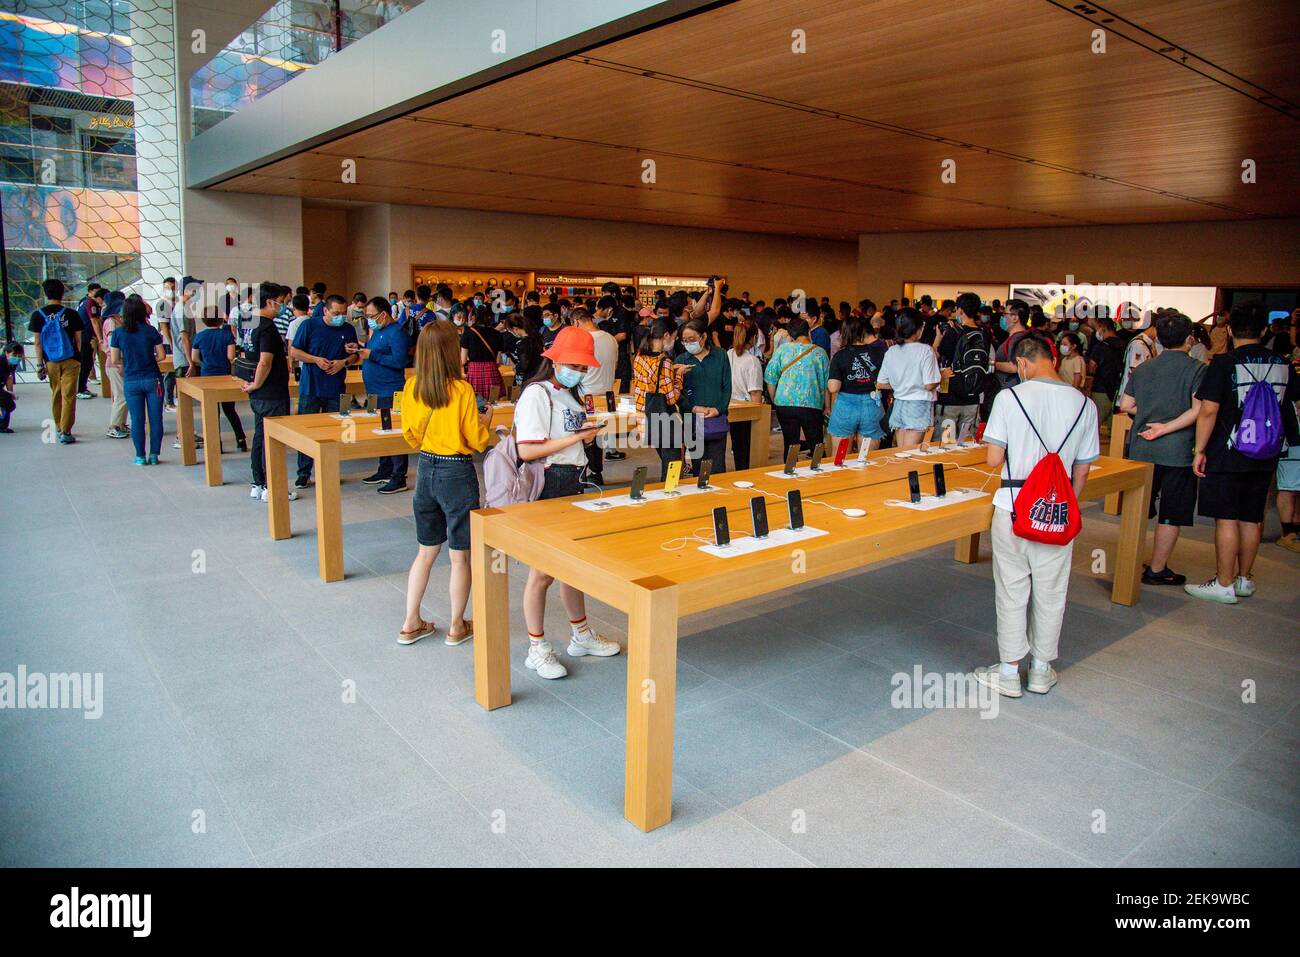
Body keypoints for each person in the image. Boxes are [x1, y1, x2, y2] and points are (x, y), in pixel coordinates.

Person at [975, 336, 1098, 698]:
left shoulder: (1009, 398)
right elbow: (1083, 471)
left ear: (1023, 364)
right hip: (1058, 511)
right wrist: (1064, 506)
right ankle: (1042, 670)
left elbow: (994, 460)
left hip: (1014, 505)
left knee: (1012, 589)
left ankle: (1010, 672)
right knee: (1052, 590)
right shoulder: (1085, 405)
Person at [513, 327, 620, 678]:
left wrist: (585, 437)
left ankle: (581, 633)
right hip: (548, 483)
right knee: (542, 571)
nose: (579, 370)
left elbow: (568, 438)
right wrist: (575, 438)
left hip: (572, 480)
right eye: (574, 364)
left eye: (584, 366)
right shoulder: (536, 394)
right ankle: (536, 646)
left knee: (572, 563)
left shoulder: (570, 393)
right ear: (554, 358)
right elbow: (526, 450)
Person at [1185, 302, 1300, 603]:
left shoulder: (1223, 364)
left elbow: (1209, 411)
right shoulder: (1284, 363)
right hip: (1267, 450)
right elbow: (1291, 404)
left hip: (1228, 449)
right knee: (1252, 516)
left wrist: (1200, 449)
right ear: (1264, 330)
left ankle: (1222, 583)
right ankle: (1243, 579)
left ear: (1231, 329)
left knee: (1226, 518)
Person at [397, 321, 491, 646]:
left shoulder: (411, 388)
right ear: (452, 351)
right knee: (459, 556)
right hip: (457, 473)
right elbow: (477, 441)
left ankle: (410, 622)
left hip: (425, 468)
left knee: (425, 552)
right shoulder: (462, 390)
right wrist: (486, 422)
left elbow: (410, 436)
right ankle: (456, 626)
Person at [1119, 315, 1205, 586]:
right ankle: (1157, 568)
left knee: (1138, 508)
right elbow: (1199, 410)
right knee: (1171, 511)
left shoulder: (1144, 368)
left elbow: (1125, 404)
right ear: (1189, 337)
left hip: (1141, 447)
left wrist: (1149, 420)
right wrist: (1165, 428)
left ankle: (1128, 561)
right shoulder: (1197, 368)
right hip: (1177, 451)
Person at [289, 293, 358, 489]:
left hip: (336, 387)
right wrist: (316, 360)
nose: (340, 316)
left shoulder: (348, 329)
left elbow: (354, 356)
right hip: (311, 387)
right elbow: (294, 351)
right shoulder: (309, 326)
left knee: (334, 431)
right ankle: (303, 472)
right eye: (336, 313)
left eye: (344, 313)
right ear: (325, 310)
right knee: (307, 430)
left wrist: (343, 362)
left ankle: (329, 470)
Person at [241, 283, 296, 503]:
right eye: (281, 302)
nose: (283, 306)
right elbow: (265, 361)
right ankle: (273, 487)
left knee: (260, 436)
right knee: (272, 440)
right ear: (270, 302)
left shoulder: (249, 323)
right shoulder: (267, 328)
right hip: (270, 392)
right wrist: (256, 383)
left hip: (259, 393)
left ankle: (259, 482)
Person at [360, 297, 412, 494]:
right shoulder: (378, 331)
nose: (369, 319)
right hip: (375, 389)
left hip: (390, 390)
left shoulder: (397, 332)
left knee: (394, 431)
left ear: (383, 314)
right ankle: (385, 469)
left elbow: (399, 361)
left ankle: (399, 476)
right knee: (382, 430)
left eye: (372, 316)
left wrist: (371, 355)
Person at [108, 298, 166, 465]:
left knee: (137, 419)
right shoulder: (151, 331)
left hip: (131, 380)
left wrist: (129, 361)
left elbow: (115, 358)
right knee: (156, 419)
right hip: (152, 378)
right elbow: (161, 356)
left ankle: (140, 455)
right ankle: (154, 454)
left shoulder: (118, 333)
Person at [28, 278, 85, 444]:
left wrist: (40, 364)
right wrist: (77, 356)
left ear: (46, 294)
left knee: (56, 393)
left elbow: (38, 343)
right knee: (69, 395)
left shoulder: (37, 315)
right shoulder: (71, 314)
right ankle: (66, 431)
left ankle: (59, 426)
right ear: (62, 293)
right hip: (71, 359)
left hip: (50, 361)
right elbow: (78, 340)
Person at [764, 315, 829, 459]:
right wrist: (827, 407)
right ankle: (819, 473)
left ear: (791, 334)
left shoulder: (782, 350)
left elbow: (770, 377)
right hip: (811, 404)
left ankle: (789, 473)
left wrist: (776, 399)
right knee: (816, 444)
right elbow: (825, 384)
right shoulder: (820, 353)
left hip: (784, 403)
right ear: (809, 332)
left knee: (790, 444)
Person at [877, 308, 942, 447]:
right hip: (918, 405)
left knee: (902, 452)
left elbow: (881, 383)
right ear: (918, 329)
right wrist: (942, 376)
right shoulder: (925, 350)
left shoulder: (892, 351)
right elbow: (930, 384)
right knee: (910, 454)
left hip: (898, 404)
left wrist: (901, 384)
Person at [631, 317, 685, 480]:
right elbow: (670, 398)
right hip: (666, 420)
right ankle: (671, 498)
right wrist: (679, 376)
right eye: (675, 337)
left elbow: (646, 384)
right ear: (666, 335)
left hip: (646, 417)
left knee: (666, 461)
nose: (674, 341)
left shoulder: (639, 357)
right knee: (672, 469)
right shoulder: (665, 362)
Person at [826, 314, 888, 455]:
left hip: (845, 409)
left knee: (841, 459)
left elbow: (833, 387)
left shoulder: (840, 356)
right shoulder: (879, 353)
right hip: (872, 406)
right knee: (866, 460)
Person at [677, 316, 732, 476]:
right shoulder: (681, 360)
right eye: (684, 340)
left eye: (692, 339)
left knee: (717, 467)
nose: (688, 344)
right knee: (698, 467)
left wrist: (719, 409)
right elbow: (677, 393)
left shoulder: (720, 355)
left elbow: (727, 386)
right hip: (692, 420)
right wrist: (693, 408)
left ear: (704, 336)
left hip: (716, 418)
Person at [933, 292, 990, 442]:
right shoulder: (984, 334)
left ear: (960, 310)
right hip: (973, 399)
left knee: (946, 443)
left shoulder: (953, 333)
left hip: (950, 398)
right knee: (965, 444)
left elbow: (937, 355)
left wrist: (939, 336)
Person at [190, 314, 248, 453]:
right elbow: (230, 356)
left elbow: (194, 357)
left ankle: (217, 443)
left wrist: (204, 363)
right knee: (230, 410)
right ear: (221, 320)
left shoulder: (200, 336)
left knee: (212, 412)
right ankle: (241, 440)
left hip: (207, 376)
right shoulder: (226, 335)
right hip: (224, 375)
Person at [726, 319, 764, 469]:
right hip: (748, 410)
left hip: (732, 407)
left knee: (738, 449)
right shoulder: (752, 361)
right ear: (753, 338)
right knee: (749, 451)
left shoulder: (728, 354)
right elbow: (755, 392)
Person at [1086, 317, 1124, 430]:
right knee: (1115, 429)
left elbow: (1092, 367)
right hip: (1118, 390)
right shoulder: (1124, 345)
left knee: (1093, 425)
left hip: (1100, 389)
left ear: (1103, 328)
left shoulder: (1100, 346)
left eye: (1097, 328)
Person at [461, 303, 505, 400]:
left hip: (474, 372)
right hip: (492, 371)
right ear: (489, 317)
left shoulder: (468, 333)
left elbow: (463, 360)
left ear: (474, 317)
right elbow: (498, 361)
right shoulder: (497, 334)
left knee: (475, 402)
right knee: (493, 402)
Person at [1116, 316, 1162, 401]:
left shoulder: (1149, 343)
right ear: (1155, 327)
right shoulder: (1139, 344)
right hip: (1133, 397)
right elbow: (1135, 372)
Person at [992, 299, 1031, 389]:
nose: (1002, 317)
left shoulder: (1017, 338)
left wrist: (993, 364)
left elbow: (1014, 367)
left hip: (1010, 387)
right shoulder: (1020, 336)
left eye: (1005, 314)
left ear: (1015, 318)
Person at [75, 284, 102, 400]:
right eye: (97, 292)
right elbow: (94, 321)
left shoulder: (84, 301)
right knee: (86, 362)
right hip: (85, 336)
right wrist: (101, 338)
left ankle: (82, 387)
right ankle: (79, 389)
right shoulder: (90, 303)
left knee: (88, 362)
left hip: (85, 335)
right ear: (91, 292)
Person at [0, 342, 22, 433]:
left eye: (19, 355)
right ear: (6, 353)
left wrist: (10, 392)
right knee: (8, 404)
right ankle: (2, 426)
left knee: (9, 403)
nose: (17, 357)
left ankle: (2, 425)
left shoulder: (12, 363)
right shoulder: (1, 362)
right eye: (14, 354)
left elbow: (9, 377)